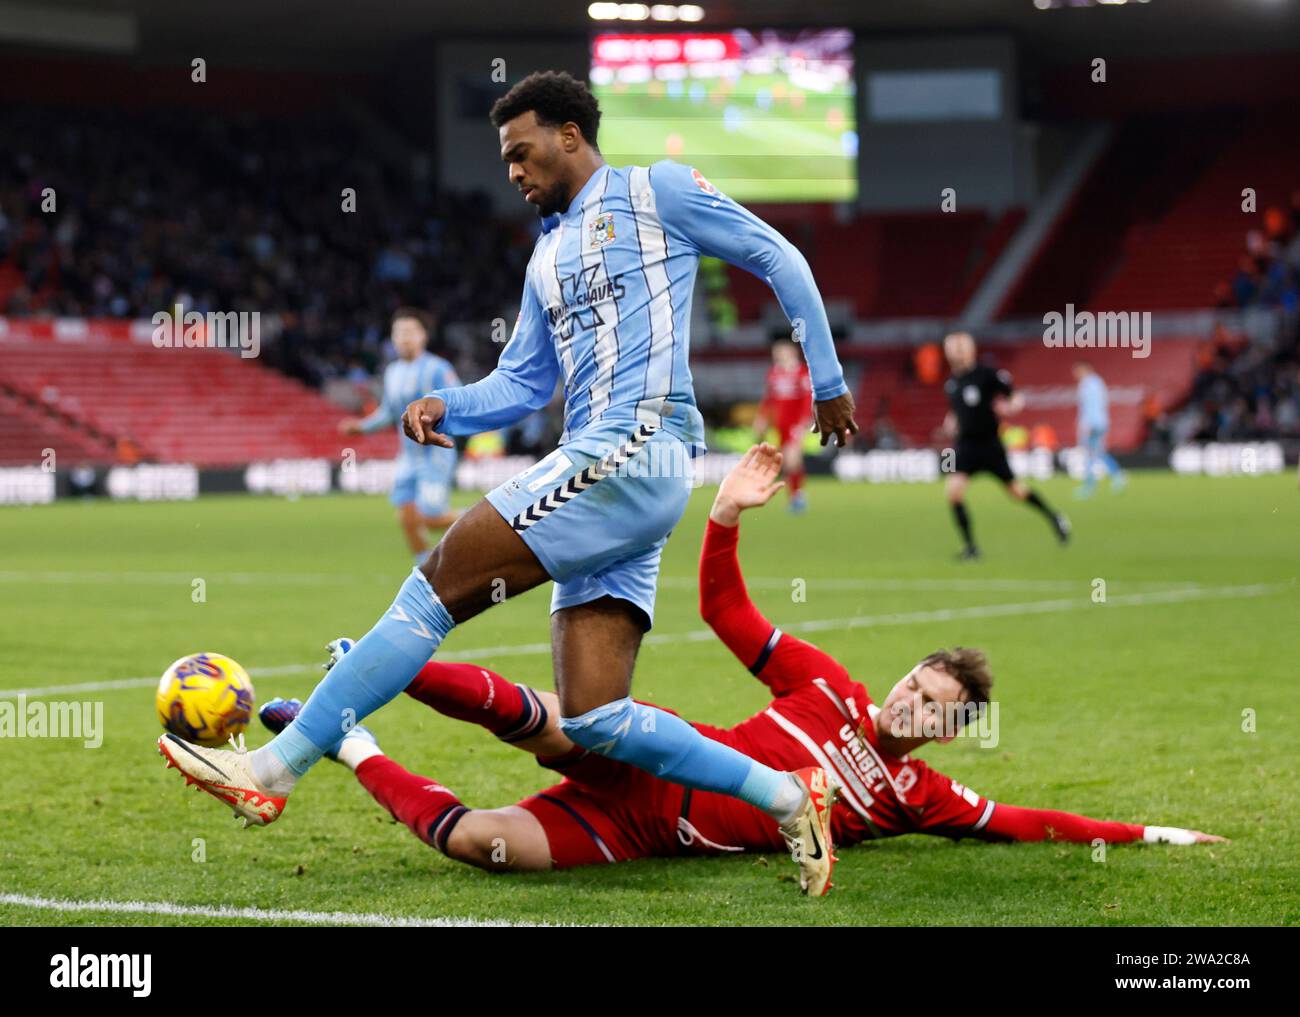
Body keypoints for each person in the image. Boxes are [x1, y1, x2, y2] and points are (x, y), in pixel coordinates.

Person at [158, 70, 857, 894]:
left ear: (570, 134)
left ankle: (273, 769)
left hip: (637, 445)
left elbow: (776, 254)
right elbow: (521, 384)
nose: (515, 173)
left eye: (523, 154)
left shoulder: (656, 191)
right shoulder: (547, 256)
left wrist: (829, 378)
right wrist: (446, 404)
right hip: (612, 473)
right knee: (595, 715)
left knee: (435, 585)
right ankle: (783, 791)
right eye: (505, 162)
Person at [257, 446, 1222, 888]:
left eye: (935, 710)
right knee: (534, 714)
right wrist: (722, 519)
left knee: (477, 845)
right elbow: (726, 611)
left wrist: (1155, 832)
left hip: (640, 837)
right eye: (917, 684)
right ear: (905, 674)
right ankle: (374, 676)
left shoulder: (917, 798)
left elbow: (1031, 824)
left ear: (948, 731)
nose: (912, 705)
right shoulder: (825, 685)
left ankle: (353, 740)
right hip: (653, 753)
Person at [339, 308, 461, 561]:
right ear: (392, 339)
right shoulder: (392, 371)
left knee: (431, 516)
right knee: (405, 515)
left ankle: (480, 518)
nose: (404, 338)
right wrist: (361, 427)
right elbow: (389, 411)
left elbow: (459, 401)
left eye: (410, 332)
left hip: (435, 454)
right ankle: (425, 567)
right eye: (399, 333)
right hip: (408, 456)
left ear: (423, 336)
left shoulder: (437, 368)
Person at [941, 332, 1069, 560]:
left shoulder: (987, 374)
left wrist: (1010, 407)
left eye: (959, 347)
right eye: (951, 347)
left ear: (970, 350)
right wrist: (950, 423)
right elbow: (957, 411)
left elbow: (1015, 397)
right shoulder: (952, 383)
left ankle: (1054, 517)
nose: (955, 352)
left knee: (1016, 492)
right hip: (965, 446)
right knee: (953, 492)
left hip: (990, 445)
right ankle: (971, 548)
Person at [752, 338, 813, 512]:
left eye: (781, 353)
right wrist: (762, 418)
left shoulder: (801, 372)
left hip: (795, 423)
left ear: (792, 353)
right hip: (780, 425)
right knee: (787, 462)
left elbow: (807, 398)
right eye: (776, 354)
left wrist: (804, 421)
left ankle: (798, 496)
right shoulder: (774, 373)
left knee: (792, 458)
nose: (778, 356)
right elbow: (769, 399)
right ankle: (795, 495)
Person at [1072, 360, 1126, 497]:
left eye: (1077, 371)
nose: (1075, 374)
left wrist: (1087, 423)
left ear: (1085, 369)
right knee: (1098, 452)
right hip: (1101, 421)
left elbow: (1090, 406)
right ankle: (1116, 476)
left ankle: (1090, 486)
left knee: (1090, 454)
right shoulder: (1098, 382)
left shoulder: (1087, 384)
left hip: (1092, 423)